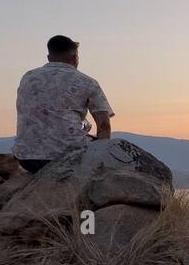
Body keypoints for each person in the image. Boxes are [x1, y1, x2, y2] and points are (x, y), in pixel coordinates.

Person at [11, 35, 114, 173]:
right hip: (67, 157)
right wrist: (101, 160)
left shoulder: (28, 77)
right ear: (74, 58)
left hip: (26, 158)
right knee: (118, 148)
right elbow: (104, 126)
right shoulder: (87, 82)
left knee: (82, 125)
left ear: (49, 57)